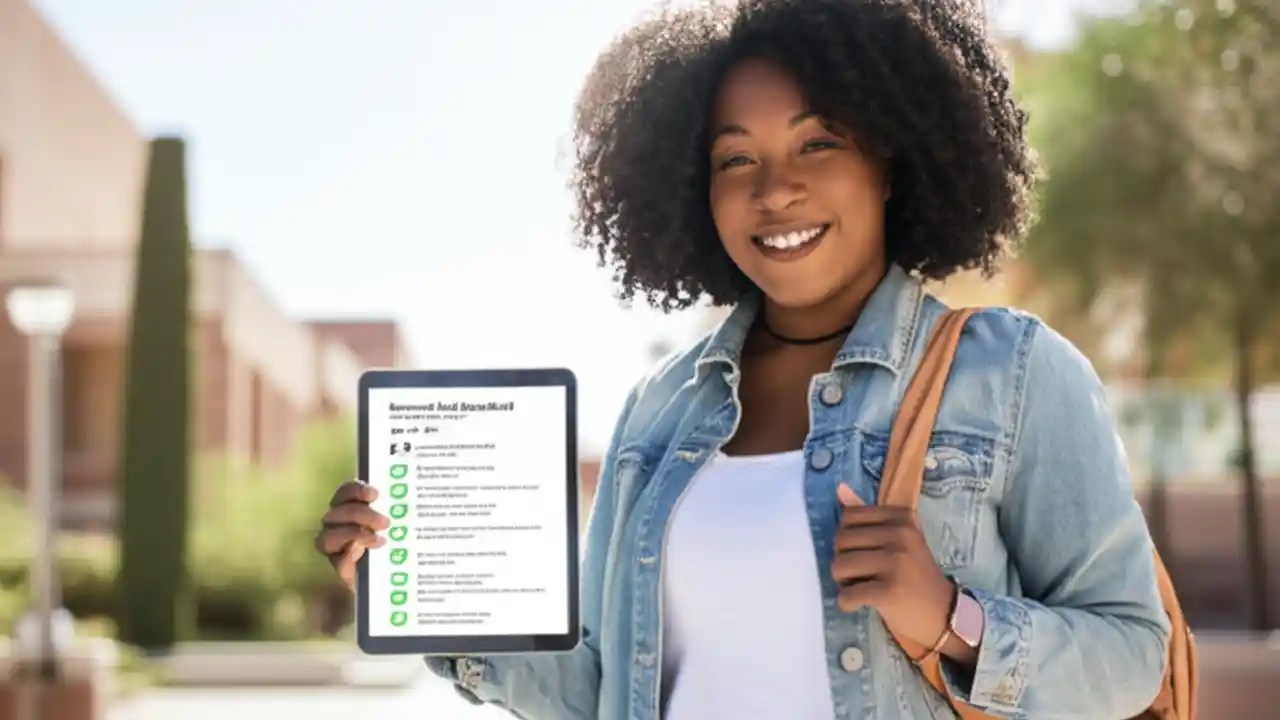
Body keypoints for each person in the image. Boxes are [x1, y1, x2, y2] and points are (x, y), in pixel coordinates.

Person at [313, 0, 1172, 717]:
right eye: (736, 158)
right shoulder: (660, 407)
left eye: (818, 143)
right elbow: (600, 691)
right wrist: (419, 601)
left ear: (891, 161)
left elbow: (1133, 654)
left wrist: (951, 618)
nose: (774, 189)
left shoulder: (1011, 373)